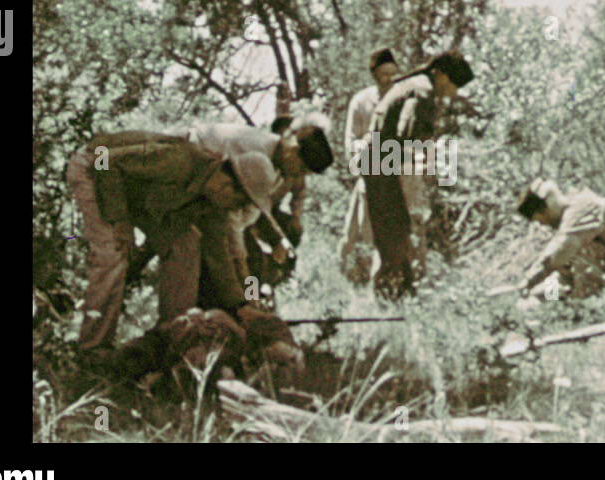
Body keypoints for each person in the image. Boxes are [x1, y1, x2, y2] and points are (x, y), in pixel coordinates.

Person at [66, 131, 261, 356]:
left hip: (137, 196)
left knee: (186, 244)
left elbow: (220, 256)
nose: (235, 210)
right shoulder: (180, 160)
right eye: (238, 203)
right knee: (113, 253)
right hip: (95, 169)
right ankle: (93, 347)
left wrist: (241, 304)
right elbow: (105, 158)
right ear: (227, 184)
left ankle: (173, 335)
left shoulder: (212, 206)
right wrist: (119, 219)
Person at [362, 50, 475, 299]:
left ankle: (396, 297)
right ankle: (392, 303)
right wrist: (413, 193)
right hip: (387, 171)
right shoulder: (422, 93)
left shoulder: (412, 85)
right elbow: (407, 139)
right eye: (454, 84)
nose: (454, 92)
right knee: (397, 240)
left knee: (393, 238)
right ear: (441, 75)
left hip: (378, 167)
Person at [185, 113, 334, 293]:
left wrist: (279, 240)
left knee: (251, 259)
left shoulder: (276, 165)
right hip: (187, 179)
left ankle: (250, 299)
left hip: (208, 197)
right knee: (230, 259)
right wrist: (248, 294)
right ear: (293, 151)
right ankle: (244, 302)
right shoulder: (259, 159)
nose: (298, 176)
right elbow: (235, 230)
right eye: (301, 169)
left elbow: (255, 210)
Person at [512, 178, 605, 309]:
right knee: (546, 287)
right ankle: (561, 309)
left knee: (573, 255)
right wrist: (540, 298)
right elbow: (560, 271)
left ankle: (588, 307)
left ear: (546, 209)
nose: (543, 225)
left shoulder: (584, 206)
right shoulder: (568, 224)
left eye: (540, 219)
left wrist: (528, 280)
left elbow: (560, 253)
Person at [339, 48, 399, 282]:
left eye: (393, 74)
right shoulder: (361, 101)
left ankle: (385, 282)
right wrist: (362, 156)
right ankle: (345, 281)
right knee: (353, 234)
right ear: (374, 74)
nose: (389, 79)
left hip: (395, 176)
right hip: (368, 174)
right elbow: (350, 140)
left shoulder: (402, 98)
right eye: (384, 74)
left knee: (386, 236)